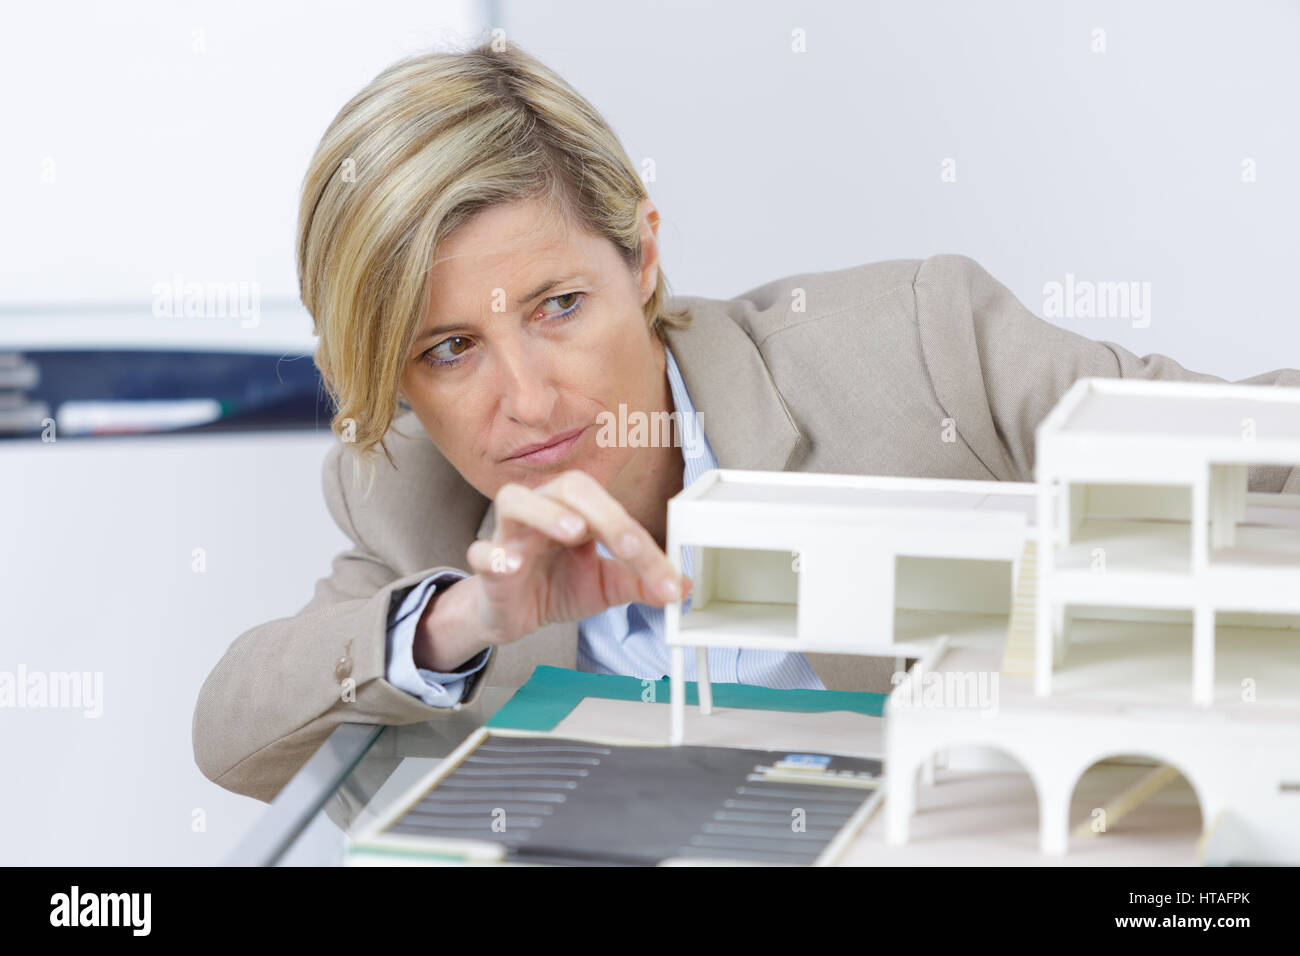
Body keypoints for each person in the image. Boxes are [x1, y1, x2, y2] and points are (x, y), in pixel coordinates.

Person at [192, 40, 1299, 803]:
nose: (523, 399)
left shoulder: (916, 346)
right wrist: (462, 616)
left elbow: (1264, 451)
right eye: (448, 349)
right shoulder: (409, 488)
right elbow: (230, 729)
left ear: (643, 255)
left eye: (560, 307)